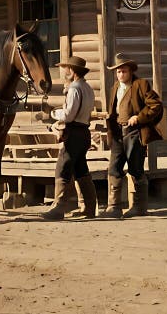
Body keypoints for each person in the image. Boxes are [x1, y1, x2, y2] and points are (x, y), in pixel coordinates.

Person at [100, 53, 164, 218]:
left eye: (124, 71)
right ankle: (113, 207)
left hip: (134, 133)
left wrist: (139, 117)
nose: (121, 74)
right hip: (117, 133)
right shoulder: (115, 87)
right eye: (118, 71)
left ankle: (139, 207)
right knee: (114, 167)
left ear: (131, 71)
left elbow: (156, 105)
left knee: (136, 168)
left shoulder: (141, 85)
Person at [42, 56, 98, 220]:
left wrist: (53, 113)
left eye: (67, 69)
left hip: (74, 133)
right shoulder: (87, 88)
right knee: (81, 170)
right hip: (84, 132)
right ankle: (89, 207)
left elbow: (68, 115)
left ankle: (58, 209)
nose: (65, 72)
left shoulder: (74, 88)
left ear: (73, 71)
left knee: (63, 168)